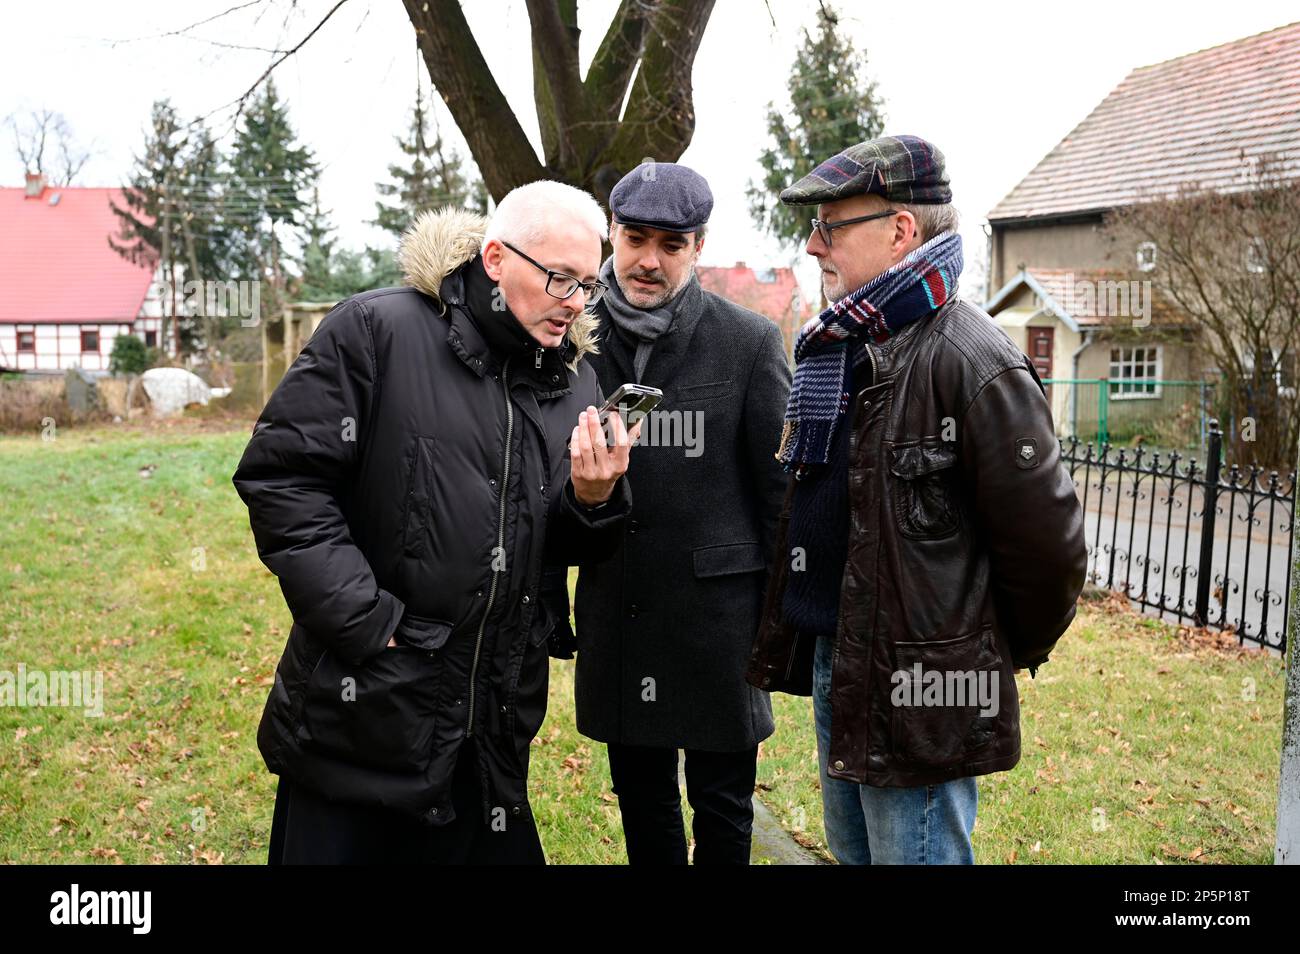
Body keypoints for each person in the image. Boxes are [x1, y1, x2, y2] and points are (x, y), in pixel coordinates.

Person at [233, 181, 640, 864]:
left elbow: (553, 544)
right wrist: (366, 621)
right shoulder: (376, 331)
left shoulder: (571, 379)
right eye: (558, 279)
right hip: (363, 718)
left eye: (588, 285)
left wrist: (594, 498)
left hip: (492, 732)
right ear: (493, 259)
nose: (574, 304)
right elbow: (282, 477)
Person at [746, 135, 1087, 865]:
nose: (812, 245)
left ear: (901, 230)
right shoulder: (840, 348)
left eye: (831, 227)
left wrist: (971, 653)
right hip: (841, 659)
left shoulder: (973, 360)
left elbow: (1048, 552)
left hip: (920, 679)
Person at [549, 162, 791, 864]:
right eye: (634, 238)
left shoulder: (747, 341)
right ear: (611, 237)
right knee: (643, 806)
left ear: (698, 247)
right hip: (620, 608)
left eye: (671, 243)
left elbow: (778, 496)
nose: (649, 259)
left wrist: (779, 625)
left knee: (722, 807)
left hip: (718, 624)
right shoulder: (569, 340)